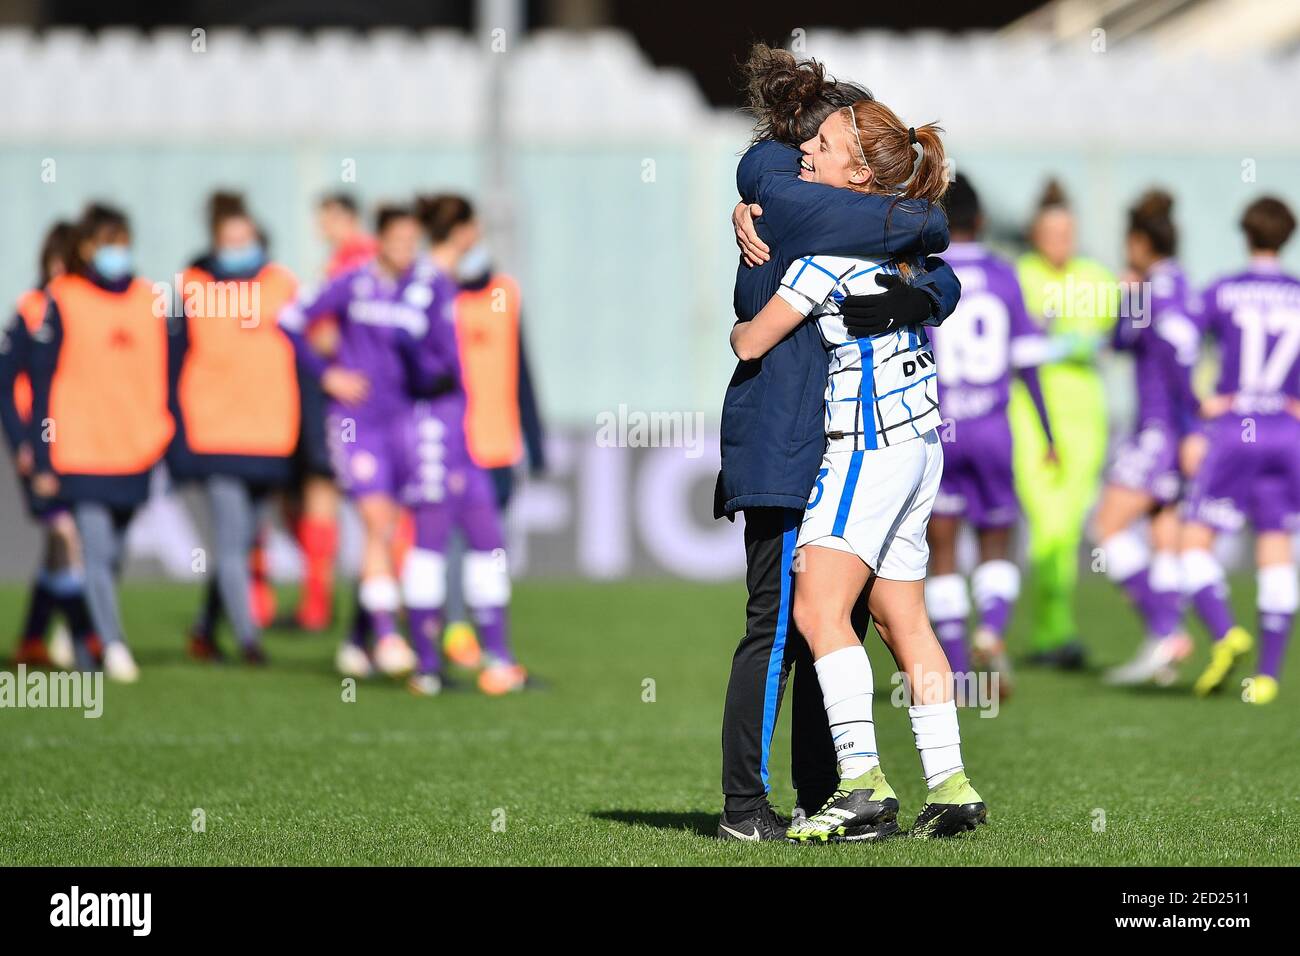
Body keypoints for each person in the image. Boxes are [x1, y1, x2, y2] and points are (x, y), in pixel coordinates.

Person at [717, 45, 961, 842]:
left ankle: (844, 791)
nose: (812, 153)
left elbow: (752, 339)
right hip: (823, 444)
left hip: (852, 442)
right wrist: (921, 223)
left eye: (829, 144)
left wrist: (926, 282)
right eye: (814, 141)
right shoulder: (784, 190)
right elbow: (925, 235)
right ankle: (759, 806)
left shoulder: (829, 232)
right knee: (810, 625)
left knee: (827, 622)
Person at [27, 202, 176, 683]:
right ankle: (111, 644)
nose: (118, 255)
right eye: (108, 245)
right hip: (81, 448)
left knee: (112, 554)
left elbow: (170, 372)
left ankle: (78, 628)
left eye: (123, 244)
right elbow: (42, 380)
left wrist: (165, 431)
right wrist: (42, 448)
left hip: (135, 448)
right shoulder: (64, 297)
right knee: (91, 547)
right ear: (88, 248)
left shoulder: (150, 298)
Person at [279, 205, 425, 681]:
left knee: (394, 527)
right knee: (376, 520)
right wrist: (329, 375)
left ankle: (356, 638)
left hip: (402, 421)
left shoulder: (422, 290)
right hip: (355, 422)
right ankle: (385, 634)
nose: (405, 251)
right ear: (379, 240)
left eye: (412, 242)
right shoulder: (353, 282)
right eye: (397, 241)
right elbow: (291, 320)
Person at [925, 175, 1055, 696]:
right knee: (998, 540)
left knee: (943, 548)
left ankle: (956, 671)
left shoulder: (927, 274)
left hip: (940, 429)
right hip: (993, 430)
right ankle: (992, 631)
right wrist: (1047, 432)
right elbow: (1028, 365)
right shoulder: (1005, 276)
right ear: (981, 222)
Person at [170, 191, 301, 664]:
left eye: (246, 237)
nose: (239, 245)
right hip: (215, 434)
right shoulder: (192, 287)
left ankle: (205, 628)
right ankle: (249, 639)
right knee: (229, 542)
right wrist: (176, 435)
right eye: (231, 238)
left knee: (243, 542)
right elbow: (172, 362)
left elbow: (302, 353)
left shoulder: (281, 284)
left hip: (270, 437)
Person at [1182, 197, 1300, 705]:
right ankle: (1268, 676)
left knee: (1193, 543)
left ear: (1245, 233)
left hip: (1236, 431)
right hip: (1287, 433)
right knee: (1276, 549)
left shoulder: (1224, 290)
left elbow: (1181, 345)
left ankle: (1226, 630)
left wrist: (1201, 406)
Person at [409, 194, 527, 695]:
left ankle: (489, 658)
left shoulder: (455, 287)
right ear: (457, 231)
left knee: (482, 546)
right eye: (472, 227)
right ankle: (427, 662)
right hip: (438, 436)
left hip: (477, 440)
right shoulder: (426, 289)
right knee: (431, 548)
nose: (477, 235)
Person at [1095, 191, 1201, 686]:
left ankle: (1167, 628)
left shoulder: (1146, 291)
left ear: (1139, 242)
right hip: (1181, 431)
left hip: (1157, 432)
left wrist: (1127, 295)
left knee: (1108, 528)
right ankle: (1163, 650)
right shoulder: (1186, 286)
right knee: (1164, 539)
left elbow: (1118, 342)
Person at [1012, 181, 1117, 668]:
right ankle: (1058, 632)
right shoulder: (1019, 276)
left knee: (1068, 528)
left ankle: (1053, 633)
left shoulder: (1096, 277)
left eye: (1068, 231)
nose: (1060, 240)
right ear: (1036, 234)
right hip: (1030, 418)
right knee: (1047, 524)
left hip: (1084, 419)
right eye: (1051, 232)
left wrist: (1053, 342)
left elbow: (1097, 338)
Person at [439, 236, 547, 668]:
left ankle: (486, 639)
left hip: (498, 445)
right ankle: (452, 628)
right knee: (449, 544)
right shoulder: (437, 298)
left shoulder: (505, 294)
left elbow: (521, 372)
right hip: (450, 445)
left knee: (489, 547)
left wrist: (534, 442)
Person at [0, 221, 98, 669]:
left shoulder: (90, 309)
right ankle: (90, 638)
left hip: (84, 443)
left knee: (62, 545)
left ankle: (34, 639)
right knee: (65, 534)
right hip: (42, 447)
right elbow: (5, 382)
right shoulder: (33, 309)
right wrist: (23, 440)